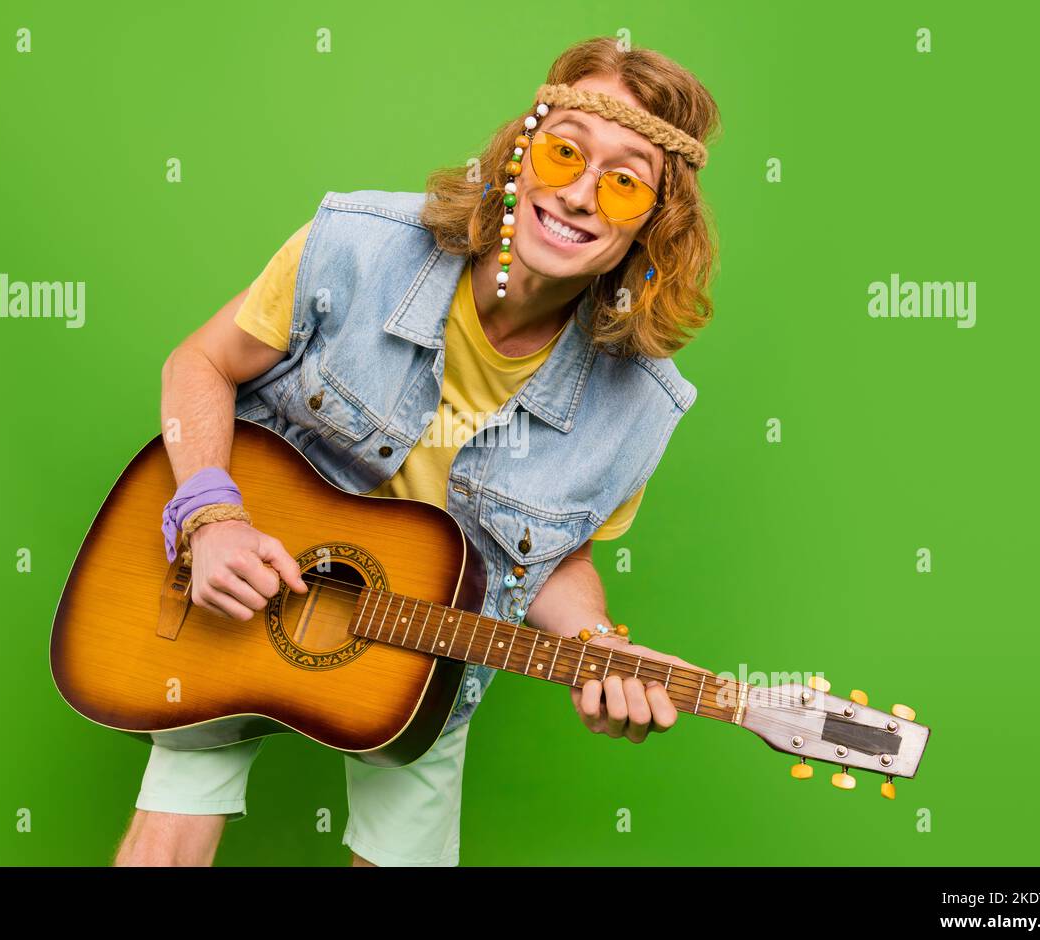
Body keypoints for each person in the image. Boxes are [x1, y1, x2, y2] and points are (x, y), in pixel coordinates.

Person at [115, 35, 721, 867]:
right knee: (166, 845)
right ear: (518, 158)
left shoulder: (641, 408)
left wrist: (596, 646)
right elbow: (199, 364)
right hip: (242, 588)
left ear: (655, 224)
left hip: (432, 655)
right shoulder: (356, 246)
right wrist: (211, 517)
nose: (580, 195)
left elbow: (559, 552)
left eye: (622, 184)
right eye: (565, 152)